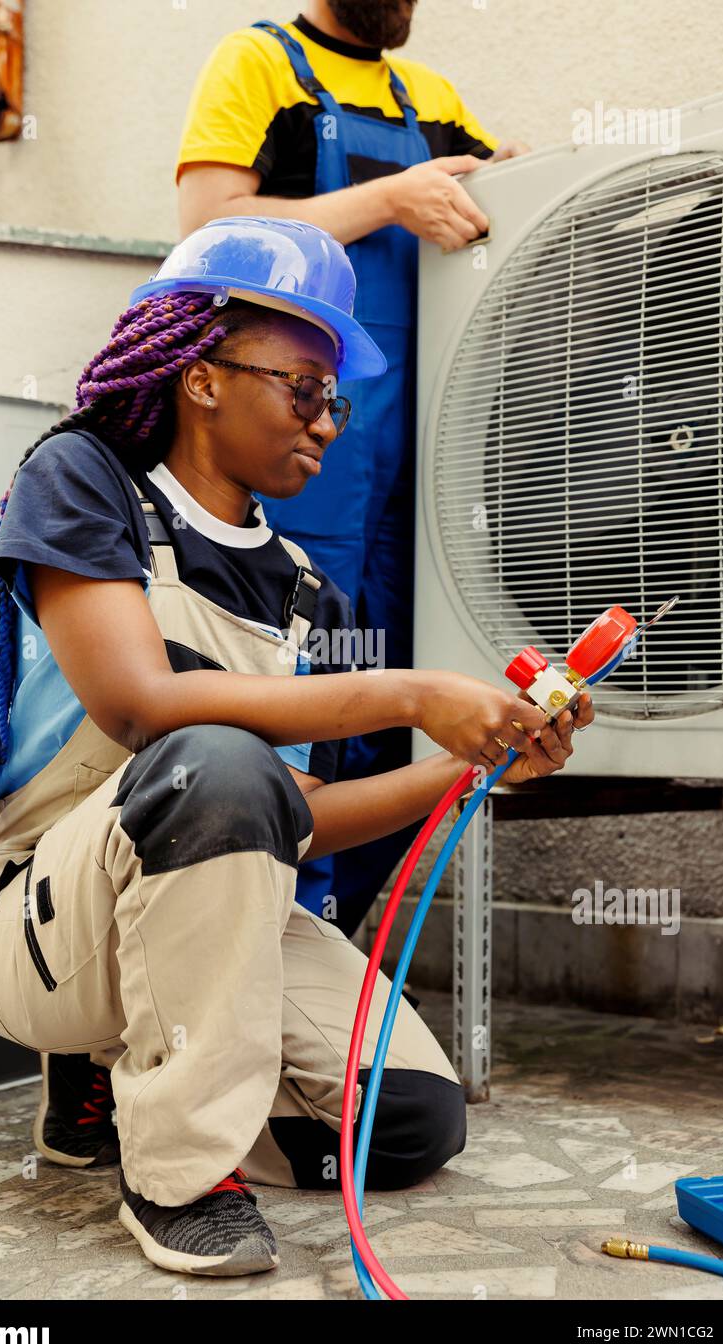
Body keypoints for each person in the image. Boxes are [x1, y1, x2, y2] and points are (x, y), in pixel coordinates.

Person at [0, 217, 592, 1278]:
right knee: (213, 756)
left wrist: (473, 768)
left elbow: (291, 816)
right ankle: (178, 1177)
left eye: (335, 400)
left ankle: (111, 1094)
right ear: (199, 375)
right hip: (37, 917)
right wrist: (412, 690)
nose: (326, 422)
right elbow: (146, 706)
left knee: (412, 1124)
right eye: (303, 390)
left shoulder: (297, 586)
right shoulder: (85, 477)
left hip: (210, 887)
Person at [175, 2, 530, 938]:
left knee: (391, 707)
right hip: (304, 455)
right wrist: (387, 199)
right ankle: (253, 933)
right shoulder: (260, 64)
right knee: (296, 694)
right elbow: (206, 224)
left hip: (419, 465)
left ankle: (329, 940)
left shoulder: (434, 100)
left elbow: (506, 208)